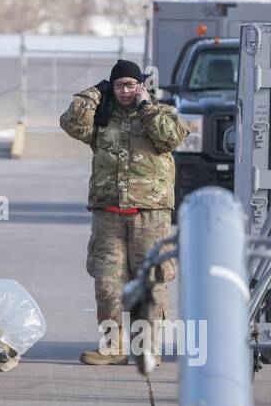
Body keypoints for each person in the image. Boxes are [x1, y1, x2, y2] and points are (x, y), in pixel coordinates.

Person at [60, 59, 189, 364]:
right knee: (107, 283)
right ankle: (112, 347)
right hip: (109, 213)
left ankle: (147, 347)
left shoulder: (160, 112)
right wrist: (93, 93)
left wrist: (147, 107)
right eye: (119, 85)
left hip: (150, 213)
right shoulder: (102, 117)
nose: (125, 91)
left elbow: (172, 137)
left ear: (141, 86)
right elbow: (71, 124)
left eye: (131, 85)